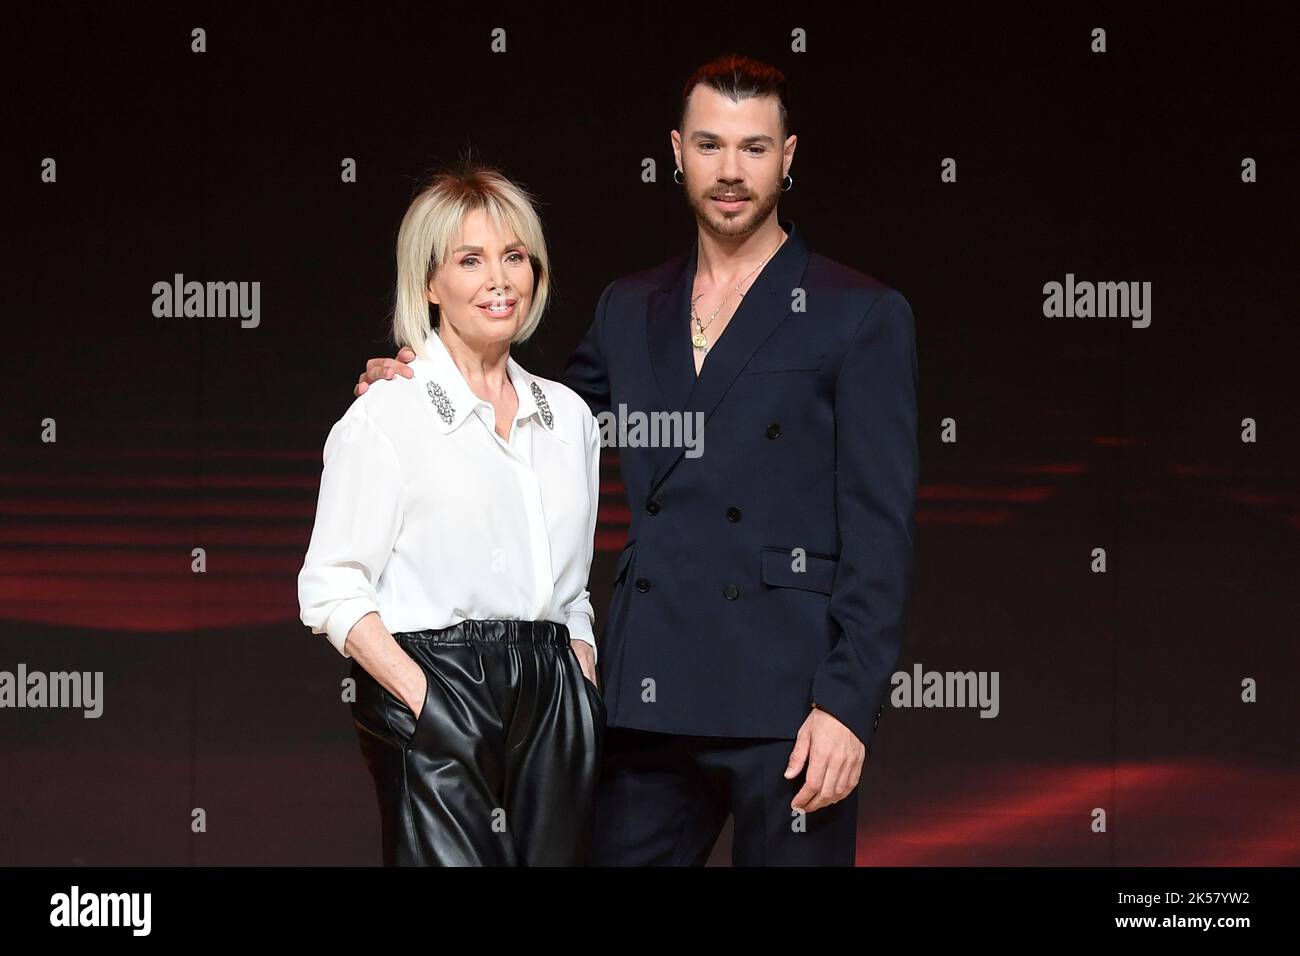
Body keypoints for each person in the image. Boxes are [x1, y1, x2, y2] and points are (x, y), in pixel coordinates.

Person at [355, 54, 919, 866]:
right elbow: (531, 413)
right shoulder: (631, 306)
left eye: (754, 148)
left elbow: (881, 531)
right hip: (645, 699)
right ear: (677, 153)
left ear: (788, 157)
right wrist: (420, 374)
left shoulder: (858, 313)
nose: (731, 171)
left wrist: (847, 703)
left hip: (791, 709)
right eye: (710, 145)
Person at [300, 164, 604, 866]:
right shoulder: (386, 414)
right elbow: (330, 588)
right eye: (470, 260)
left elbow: (573, 589)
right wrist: (424, 698)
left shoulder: (570, 419)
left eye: (514, 256)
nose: (499, 279)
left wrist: (579, 677)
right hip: (439, 679)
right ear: (431, 284)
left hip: (552, 688)